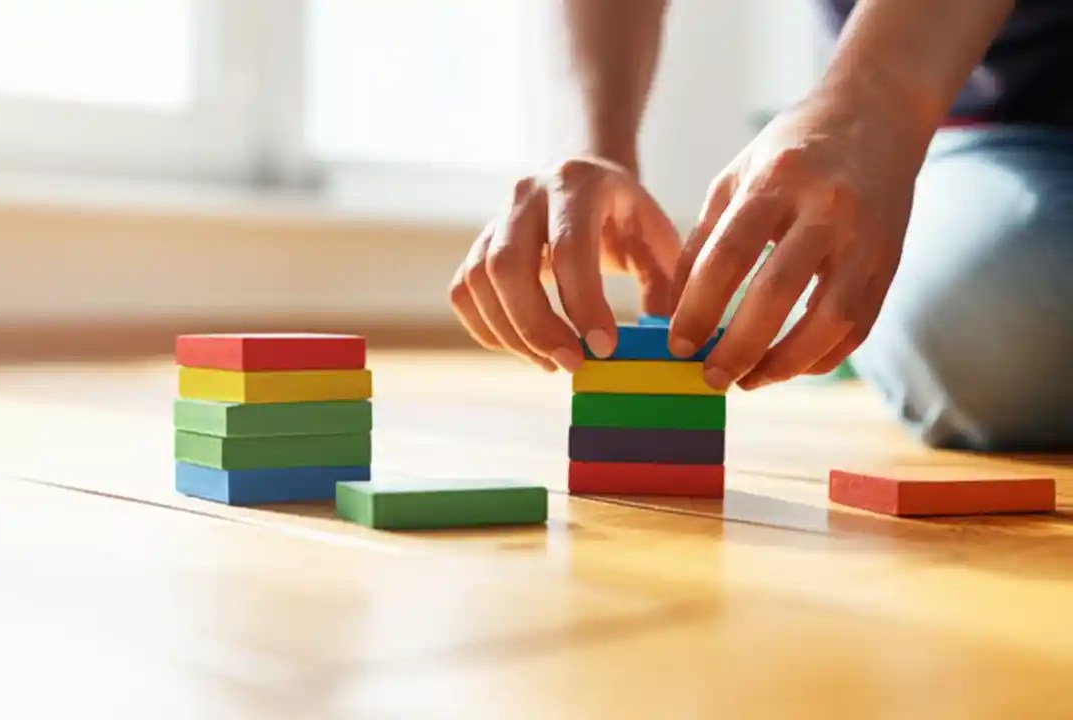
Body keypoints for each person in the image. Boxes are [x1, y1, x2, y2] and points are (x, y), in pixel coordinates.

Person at [447, 0, 1073, 451]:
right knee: (992, 332)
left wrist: (873, 107)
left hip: (916, 113)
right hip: (998, 128)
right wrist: (593, 143)